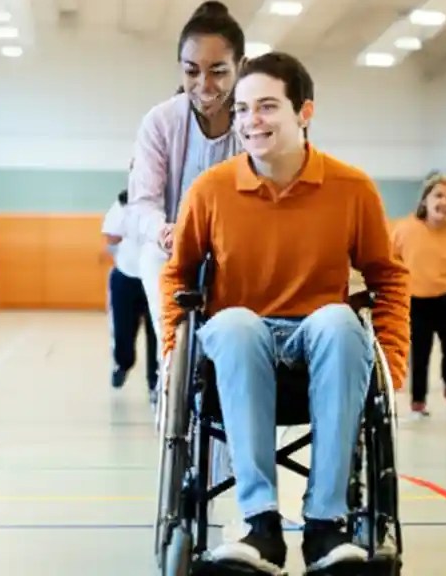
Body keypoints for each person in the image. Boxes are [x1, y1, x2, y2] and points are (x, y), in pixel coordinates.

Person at [161, 52, 410, 574]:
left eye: (267, 107)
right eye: (244, 109)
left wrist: (391, 356)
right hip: (241, 346)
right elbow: (177, 276)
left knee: (340, 320)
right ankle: (261, 525)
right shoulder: (210, 190)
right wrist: (171, 353)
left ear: (305, 112)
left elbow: (388, 277)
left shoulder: (352, 188)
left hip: (319, 345)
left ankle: (325, 525)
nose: (252, 121)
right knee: (232, 321)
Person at [127, 0, 246, 342]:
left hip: (238, 251)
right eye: (192, 71)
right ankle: (171, 365)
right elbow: (143, 203)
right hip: (170, 247)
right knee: (174, 328)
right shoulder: (160, 122)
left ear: (241, 67)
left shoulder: (254, 124)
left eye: (218, 71)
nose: (204, 85)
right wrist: (163, 230)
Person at [391, 173, 446, 418]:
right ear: (425, 200)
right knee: (420, 351)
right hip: (415, 301)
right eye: (438, 195)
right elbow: (391, 262)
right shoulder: (404, 230)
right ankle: (418, 400)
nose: (445, 201)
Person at [102, 182, 158, 403]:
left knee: (157, 333)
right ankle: (122, 364)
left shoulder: (166, 199)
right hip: (127, 275)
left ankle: (155, 380)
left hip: (155, 278)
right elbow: (111, 237)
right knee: (124, 329)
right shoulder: (124, 201)